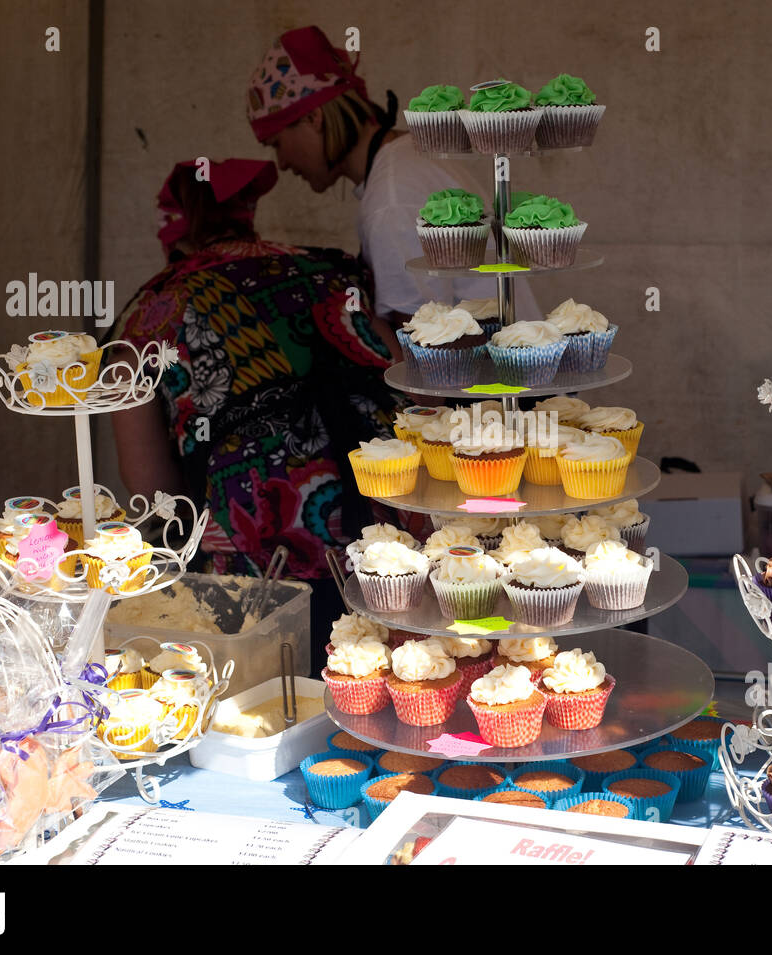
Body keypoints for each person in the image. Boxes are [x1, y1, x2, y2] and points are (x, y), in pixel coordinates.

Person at [110, 157, 412, 669]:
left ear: (175, 235)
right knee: (399, 694)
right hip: (388, 518)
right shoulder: (336, 270)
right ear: (249, 216)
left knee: (283, 704)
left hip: (256, 548)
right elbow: (404, 374)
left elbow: (152, 491)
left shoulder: (149, 310)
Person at [245, 25, 541, 333]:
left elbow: (421, 343)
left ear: (312, 119)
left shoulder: (391, 198)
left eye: (277, 143)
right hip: (518, 365)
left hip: (493, 378)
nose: (281, 163)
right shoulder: (409, 155)